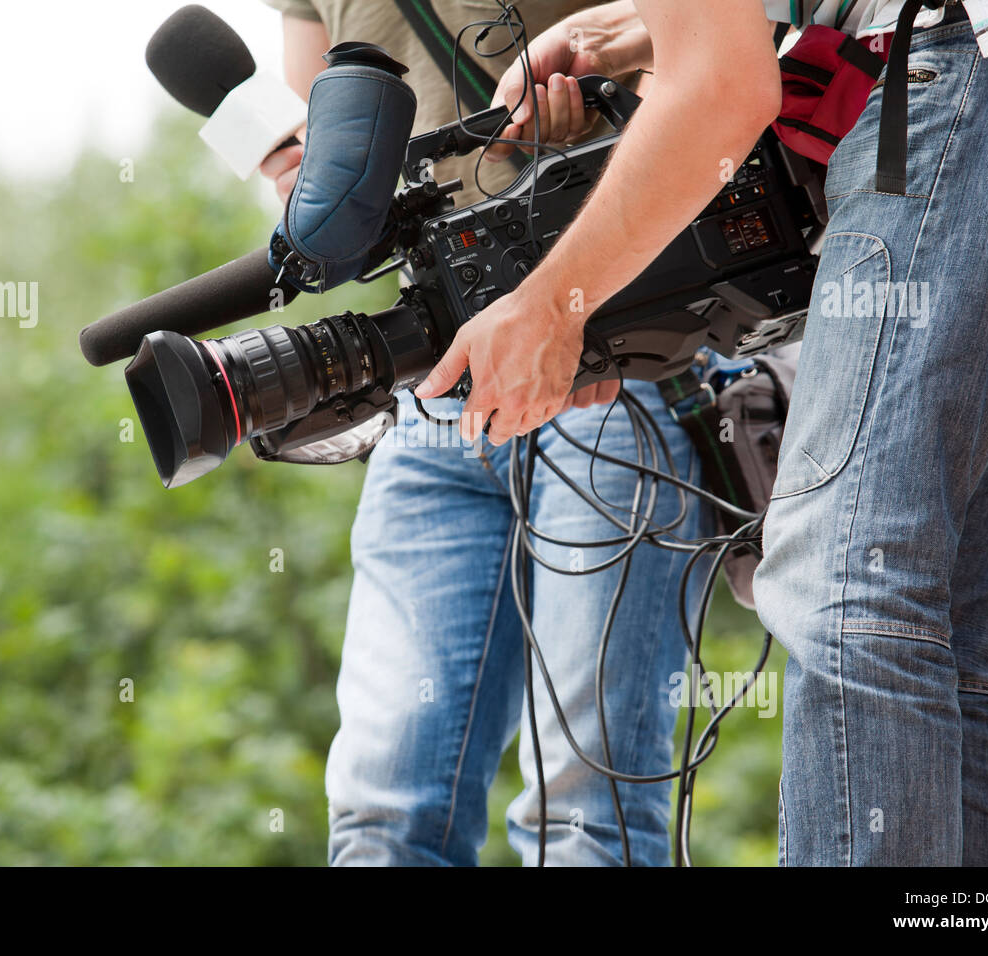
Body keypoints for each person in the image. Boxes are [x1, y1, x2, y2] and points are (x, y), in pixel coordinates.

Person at [421, 0, 988, 865]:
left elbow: (723, 89)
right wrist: (631, 28)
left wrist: (553, 307)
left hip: (973, 67)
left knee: (848, 582)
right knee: (952, 626)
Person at [259, 0, 711, 866]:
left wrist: (610, 101)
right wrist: (309, 179)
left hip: (610, 340)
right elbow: (324, 101)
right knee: (383, 809)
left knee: (588, 805)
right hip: (439, 369)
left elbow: (709, 55)